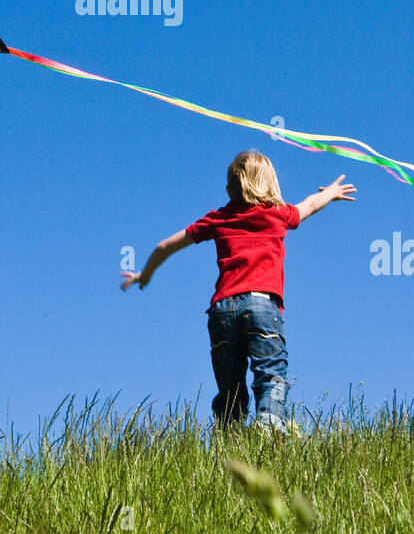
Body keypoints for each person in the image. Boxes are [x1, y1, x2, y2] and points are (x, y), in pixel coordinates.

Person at [120, 149, 356, 433]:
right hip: (262, 307)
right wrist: (330, 192)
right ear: (270, 185)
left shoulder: (218, 218)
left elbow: (164, 246)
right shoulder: (278, 214)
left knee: (229, 385)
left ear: (230, 190)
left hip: (222, 311)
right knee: (270, 374)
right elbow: (310, 204)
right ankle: (268, 425)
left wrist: (144, 274)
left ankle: (228, 438)